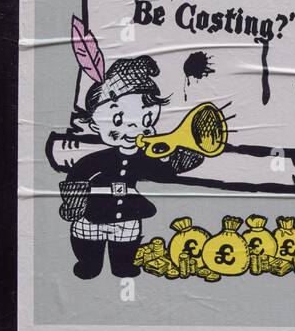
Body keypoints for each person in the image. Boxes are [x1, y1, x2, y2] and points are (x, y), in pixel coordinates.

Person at [57, 56, 205, 279]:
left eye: (146, 121)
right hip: (92, 215)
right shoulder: (95, 159)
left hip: (126, 216)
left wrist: (181, 161)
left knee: (125, 253)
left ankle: (122, 265)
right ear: (95, 123)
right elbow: (78, 174)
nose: (135, 129)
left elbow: (159, 172)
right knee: (88, 249)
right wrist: (74, 201)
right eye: (118, 120)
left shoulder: (140, 158)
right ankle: (89, 264)